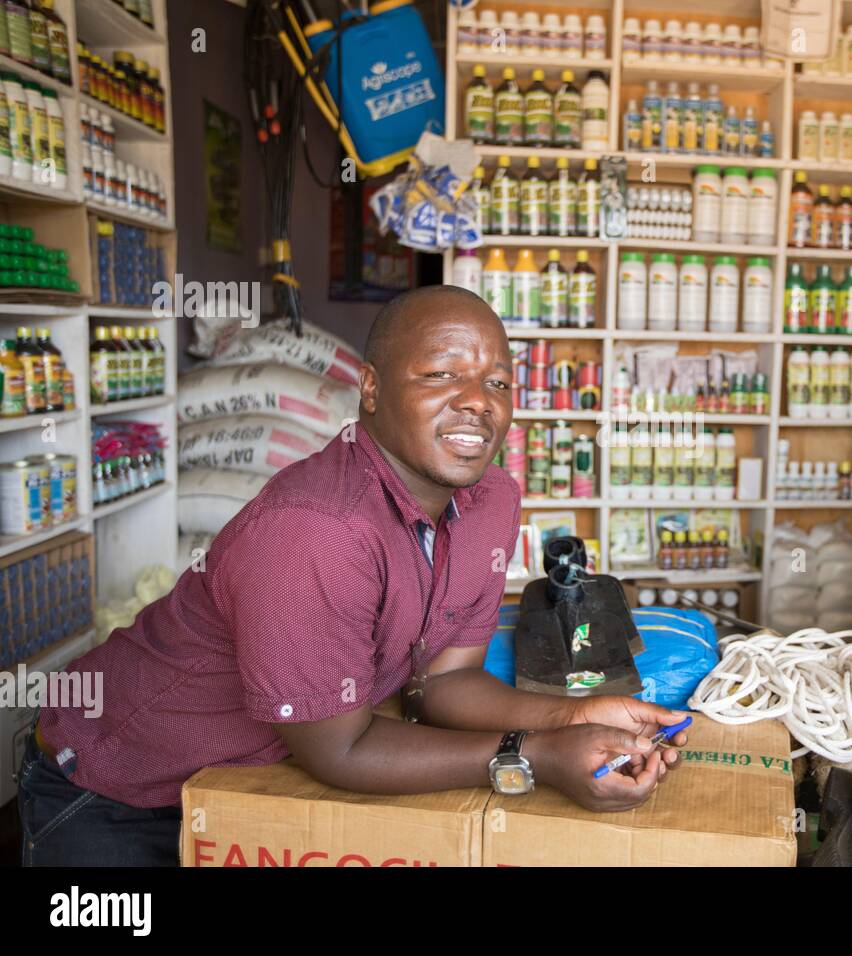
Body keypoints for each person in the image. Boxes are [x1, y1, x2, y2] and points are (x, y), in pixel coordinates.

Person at [20, 287, 688, 866]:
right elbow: (340, 751)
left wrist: (578, 718)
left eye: (498, 382)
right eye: (439, 375)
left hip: (243, 780)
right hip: (116, 788)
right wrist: (535, 758)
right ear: (369, 386)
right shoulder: (314, 528)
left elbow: (442, 683)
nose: (477, 403)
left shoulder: (493, 501)